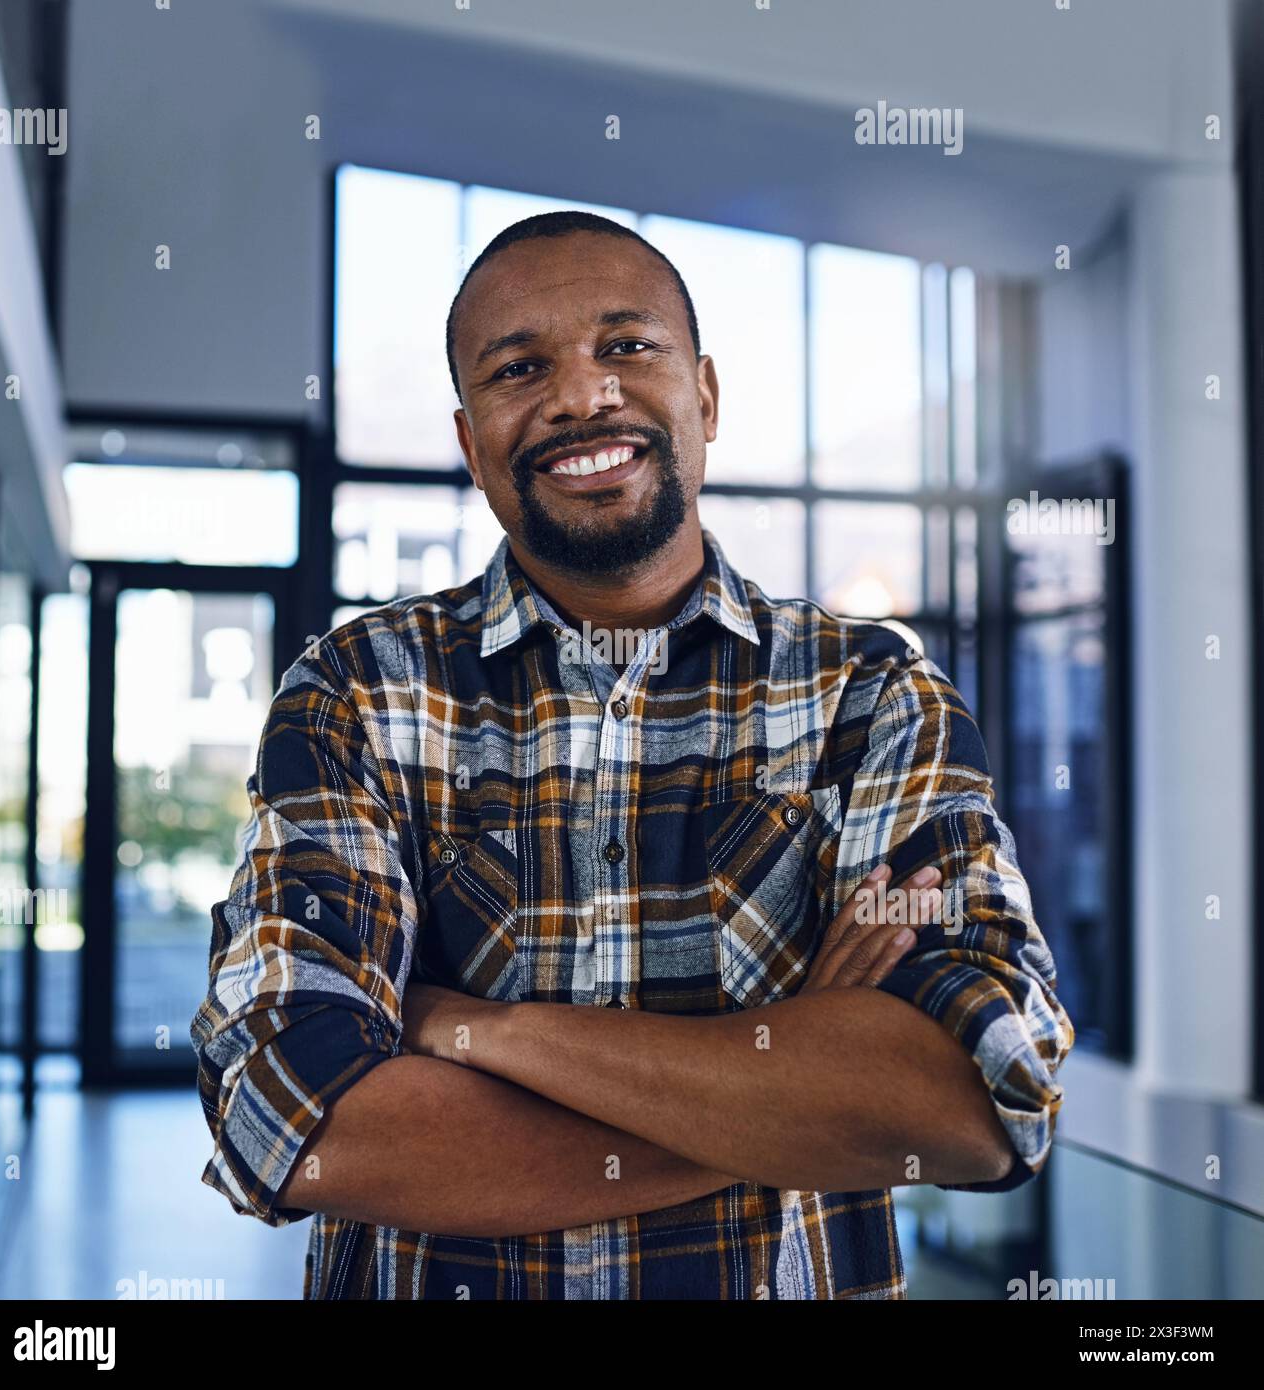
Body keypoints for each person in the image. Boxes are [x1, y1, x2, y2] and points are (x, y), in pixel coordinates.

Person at [190, 211, 1073, 1299]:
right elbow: (294, 1120)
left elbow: (978, 1099)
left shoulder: (869, 693)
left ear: (703, 396)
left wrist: (472, 1029)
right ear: (471, 446)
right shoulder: (356, 694)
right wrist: (786, 1082)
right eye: (521, 368)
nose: (579, 395)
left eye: (625, 346)